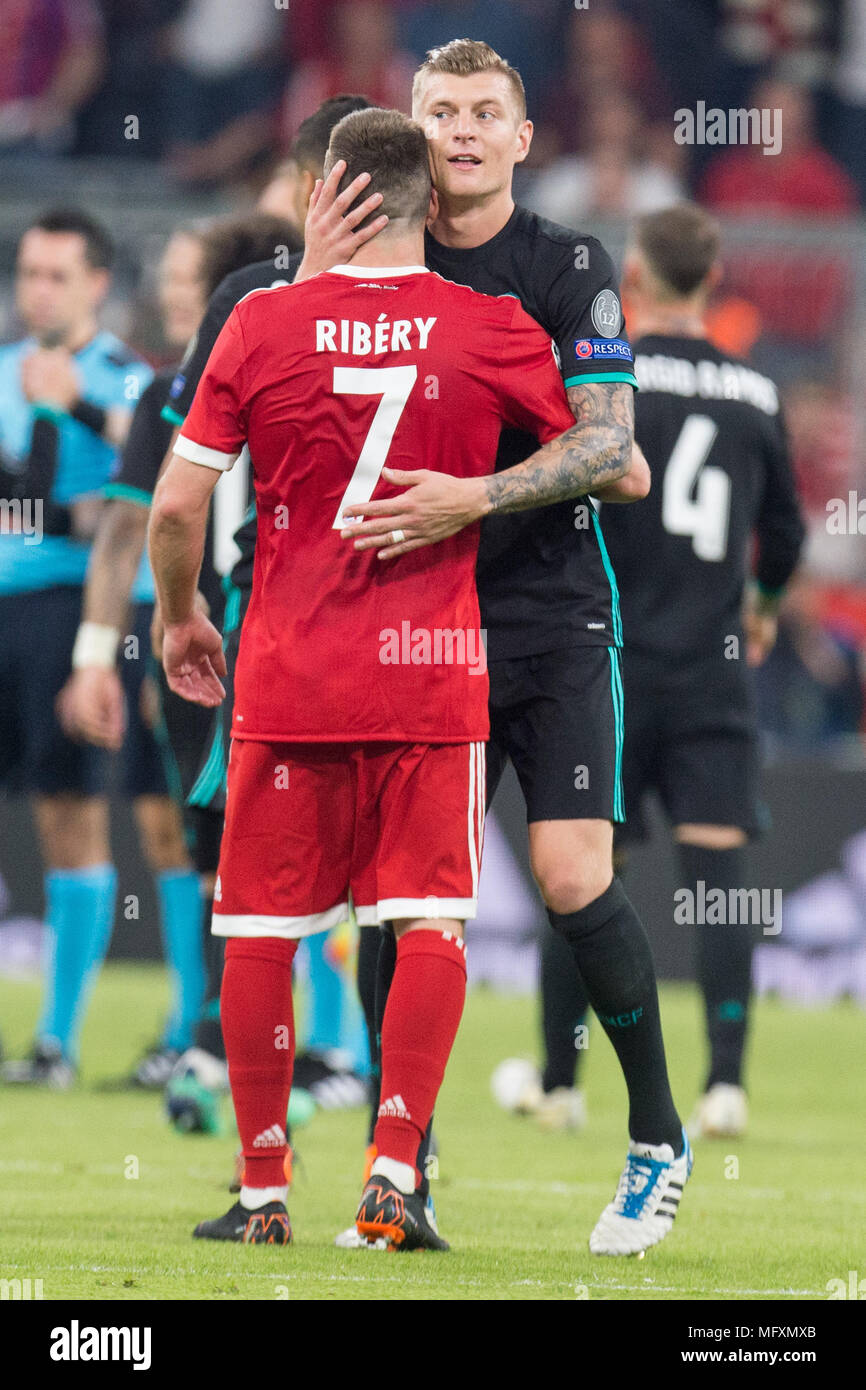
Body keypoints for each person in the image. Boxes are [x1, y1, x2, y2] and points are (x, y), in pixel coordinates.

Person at [148, 105, 631, 1250]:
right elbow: (610, 457)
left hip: (285, 669)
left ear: (323, 194)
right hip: (429, 676)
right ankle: (392, 1168)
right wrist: (477, 487)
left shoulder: (260, 322)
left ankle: (263, 1191)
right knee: (430, 925)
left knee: (261, 930)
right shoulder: (488, 324)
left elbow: (174, 505)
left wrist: (178, 622)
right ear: (431, 201)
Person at [322, 39, 691, 1257]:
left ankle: (654, 1140)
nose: (464, 131)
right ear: (411, 132)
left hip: (546, 616)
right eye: (440, 113)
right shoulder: (373, 264)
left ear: (524, 139)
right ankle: (400, 1163)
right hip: (413, 620)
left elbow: (612, 452)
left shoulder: (563, 261)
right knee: (409, 906)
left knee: (572, 873)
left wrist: (469, 500)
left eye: (487, 113)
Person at [531, 204, 806, 1140]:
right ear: (716, 274)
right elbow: (789, 535)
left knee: (579, 872)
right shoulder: (759, 394)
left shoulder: (610, 376)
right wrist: (761, 611)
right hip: (710, 671)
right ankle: (725, 1082)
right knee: (720, 872)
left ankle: (559, 1080)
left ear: (635, 278)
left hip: (601, 660)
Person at [57, 214, 300, 1088]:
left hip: (229, 627)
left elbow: (141, 517)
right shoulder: (213, 373)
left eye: (183, 273)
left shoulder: (212, 371)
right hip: (231, 625)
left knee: (232, 847)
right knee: (208, 842)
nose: (166, 287)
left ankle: (249, 1046)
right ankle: (207, 1033)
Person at [0, 209, 152, 1085]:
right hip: (8, 601)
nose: (37, 291)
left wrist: (76, 408)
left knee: (69, 813)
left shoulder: (128, 382)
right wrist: (63, 515)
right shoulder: (4, 372)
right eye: (27, 273)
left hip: (71, 613)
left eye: (56, 275)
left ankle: (56, 1041)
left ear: (97, 284)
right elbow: (54, 506)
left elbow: (140, 490)